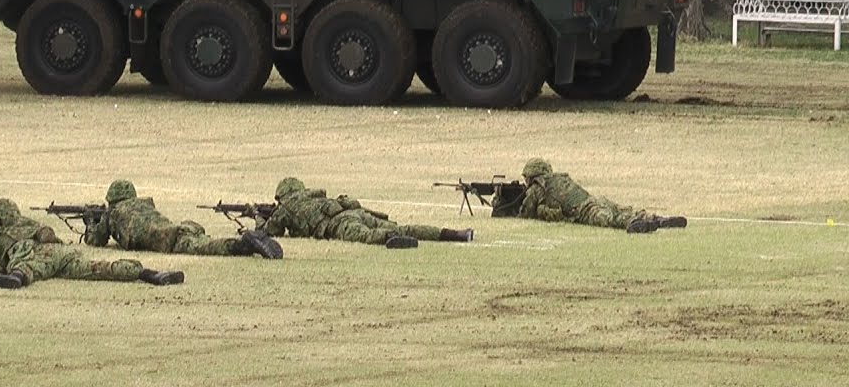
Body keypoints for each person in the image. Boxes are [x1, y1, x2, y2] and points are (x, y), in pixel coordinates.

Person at [0, 198, 183, 289]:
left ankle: (16, 279)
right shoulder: (30, 222)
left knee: (25, 267)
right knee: (99, 268)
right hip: (61, 253)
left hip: (34, 256)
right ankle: (149, 274)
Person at [85, 180, 283, 259]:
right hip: (177, 229)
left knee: (209, 248)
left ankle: (245, 245)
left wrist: (91, 223)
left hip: (169, 239)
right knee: (206, 243)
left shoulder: (113, 213)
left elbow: (96, 240)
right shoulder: (143, 205)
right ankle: (248, 244)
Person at [253, 178, 473, 249]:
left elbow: (269, 232)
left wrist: (258, 216)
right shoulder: (314, 195)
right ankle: (455, 234)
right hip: (355, 212)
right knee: (404, 227)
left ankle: (390, 238)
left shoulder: (287, 207)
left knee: (366, 236)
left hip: (338, 224)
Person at [496, 159, 688, 233]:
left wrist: (500, 202)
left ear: (532, 176)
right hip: (595, 200)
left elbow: (525, 214)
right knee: (622, 209)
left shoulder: (537, 188)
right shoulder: (559, 178)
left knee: (610, 219)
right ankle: (656, 219)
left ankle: (636, 224)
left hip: (584, 211)